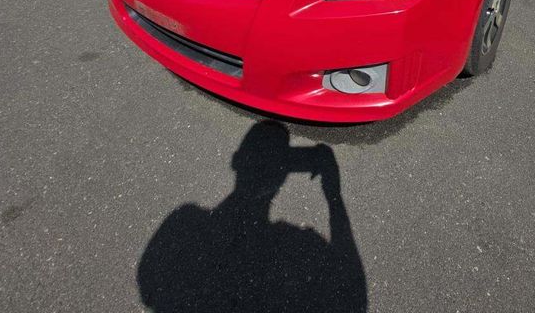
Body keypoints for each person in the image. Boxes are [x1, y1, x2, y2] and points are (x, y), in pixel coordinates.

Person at [138, 121, 367, 312]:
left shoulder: (184, 225)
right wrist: (334, 197)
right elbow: (352, 291)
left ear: (236, 162)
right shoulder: (294, 249)